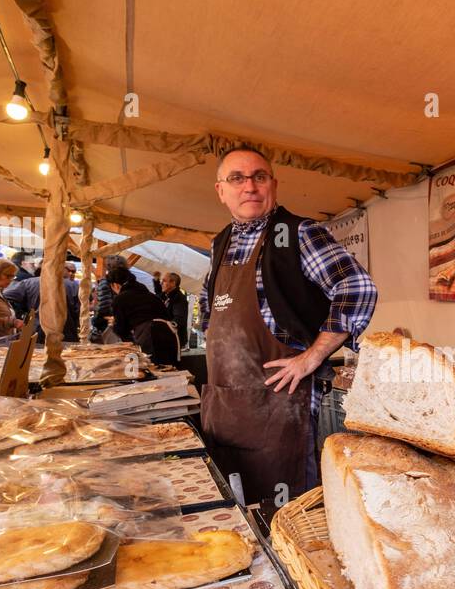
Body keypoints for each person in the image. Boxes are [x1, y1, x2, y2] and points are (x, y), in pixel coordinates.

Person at [200, 145, 376, 510]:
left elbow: (357, 289)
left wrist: (311, 358)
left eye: (259, 177)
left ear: (273, 186)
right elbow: (208, 306)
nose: (249, 186)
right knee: (236, 514)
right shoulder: (220, 243)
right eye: (237, 178)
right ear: (220, 190)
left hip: (280, 411)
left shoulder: (298, 234)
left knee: (285, 518)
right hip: (226, 410)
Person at [105, 266, 179, 366]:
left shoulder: (120, 299)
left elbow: (122, 330)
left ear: (115, 285)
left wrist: (115, 323)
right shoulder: (150, 295)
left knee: (154, 374)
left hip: (149, 338)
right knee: (169, 372)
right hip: (170, 337)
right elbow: (167, 316)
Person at [3, 262, 81, 343]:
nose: (71, 273)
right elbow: (80, 312)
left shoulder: (29, 283)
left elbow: (5, 296)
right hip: (65, 333)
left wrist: (20, 313)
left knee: (37, 354)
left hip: (36, 333)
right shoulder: (74, 286)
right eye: (69, 270)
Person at [90, 254, 129, 339]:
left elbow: (104, 308)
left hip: (108, 328)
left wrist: (95, 321)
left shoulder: (105, 282)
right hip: (122, 327)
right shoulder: (127, 283)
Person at [159, 271, 189, 347]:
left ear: (173, 283)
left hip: (174, 339)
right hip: (166, 338)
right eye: (161, 280)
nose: (161, 283)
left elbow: (178, 320)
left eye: (164, 281)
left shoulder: (179, 298)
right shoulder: (165, 296)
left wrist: (161, 328)